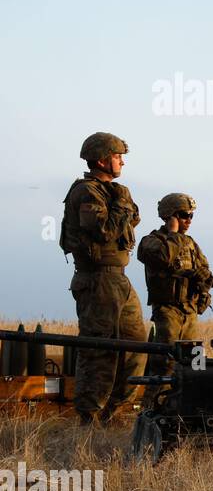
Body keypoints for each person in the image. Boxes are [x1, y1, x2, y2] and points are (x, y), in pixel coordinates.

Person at [58, 132, 149, 426]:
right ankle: (89, 416)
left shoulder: (112, 192)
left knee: (138, 345)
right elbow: (104, 232)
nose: (121, 161)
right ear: (101, 159)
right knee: (99, 350)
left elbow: (133, 218)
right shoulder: (86, 192)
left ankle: (116, 410)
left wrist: (121, 204)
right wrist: (121, 204)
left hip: (119, 279)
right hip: (97, 280)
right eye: (117, 156)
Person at [137, 193, 213, 374]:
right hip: (167, 311)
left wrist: (203, 289)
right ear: (169, 215)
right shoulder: (152, 241)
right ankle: (154, 400)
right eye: (183, 215)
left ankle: (192, 399)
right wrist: (173, 234)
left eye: (191, 215)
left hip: (189, 311)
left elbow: (205, 270)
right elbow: (165, 257)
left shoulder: (191, 244)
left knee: (195, 364)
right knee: (164, 364)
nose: (189, 220)